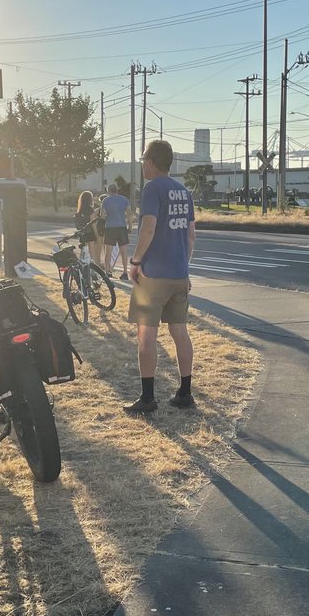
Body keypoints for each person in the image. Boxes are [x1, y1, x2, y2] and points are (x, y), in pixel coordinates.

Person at [124, 140, 195, 415]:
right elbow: (191, 235)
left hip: (153, 274)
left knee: (146, 335)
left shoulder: (152, 188)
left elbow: (148, 228)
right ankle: (185, 392)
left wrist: (136, 260)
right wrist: (185, 267)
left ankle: (147, 397)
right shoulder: (183, 191)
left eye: (143, 159)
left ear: (151, 162)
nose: (142, 164)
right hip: (179, 273)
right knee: (180, 332)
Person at [101, 182, 132, 279]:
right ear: (117, 190)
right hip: (122, 227)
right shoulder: (124, 199)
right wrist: (130, 226)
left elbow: (103, 215)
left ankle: (107, 272)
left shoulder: (106, 200)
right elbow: (129, 214)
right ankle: (125, 272)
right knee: (123, 251)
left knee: (108, 251)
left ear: (108, 191)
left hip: (110, 227)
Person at [75, 190, 102, 266]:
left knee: (84, 252)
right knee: (92, 253)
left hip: (83, 233)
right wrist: (97, 234)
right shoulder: (90, 210)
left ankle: (82, 267)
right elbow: (93, 223)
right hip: (90, 233)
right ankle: (92, 270)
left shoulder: (79, 210)